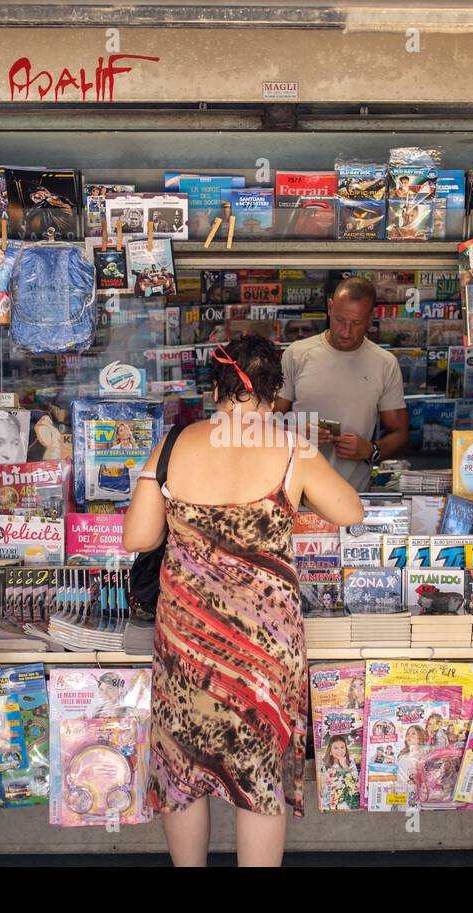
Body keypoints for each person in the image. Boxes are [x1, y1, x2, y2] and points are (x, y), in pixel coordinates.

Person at [122, 334, 364, 866]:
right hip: (265, 651)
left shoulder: (173, 445)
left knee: (183, 768)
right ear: (275, 393)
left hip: (187, 644)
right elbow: (350, 511)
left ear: (215, 388)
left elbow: (137, 537)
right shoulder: (292, 449)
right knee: (260, 776)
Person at [273, 276, 409, 492]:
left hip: (353, 495)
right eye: (339, 320)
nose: (346, 331)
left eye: (356, 323)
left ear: (370, 318)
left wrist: (371, 450)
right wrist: (294, 432)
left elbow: (400, 433)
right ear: (330, 307)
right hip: (295, 493)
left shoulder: (384, 363)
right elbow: (267, 422)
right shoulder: (296, 354)